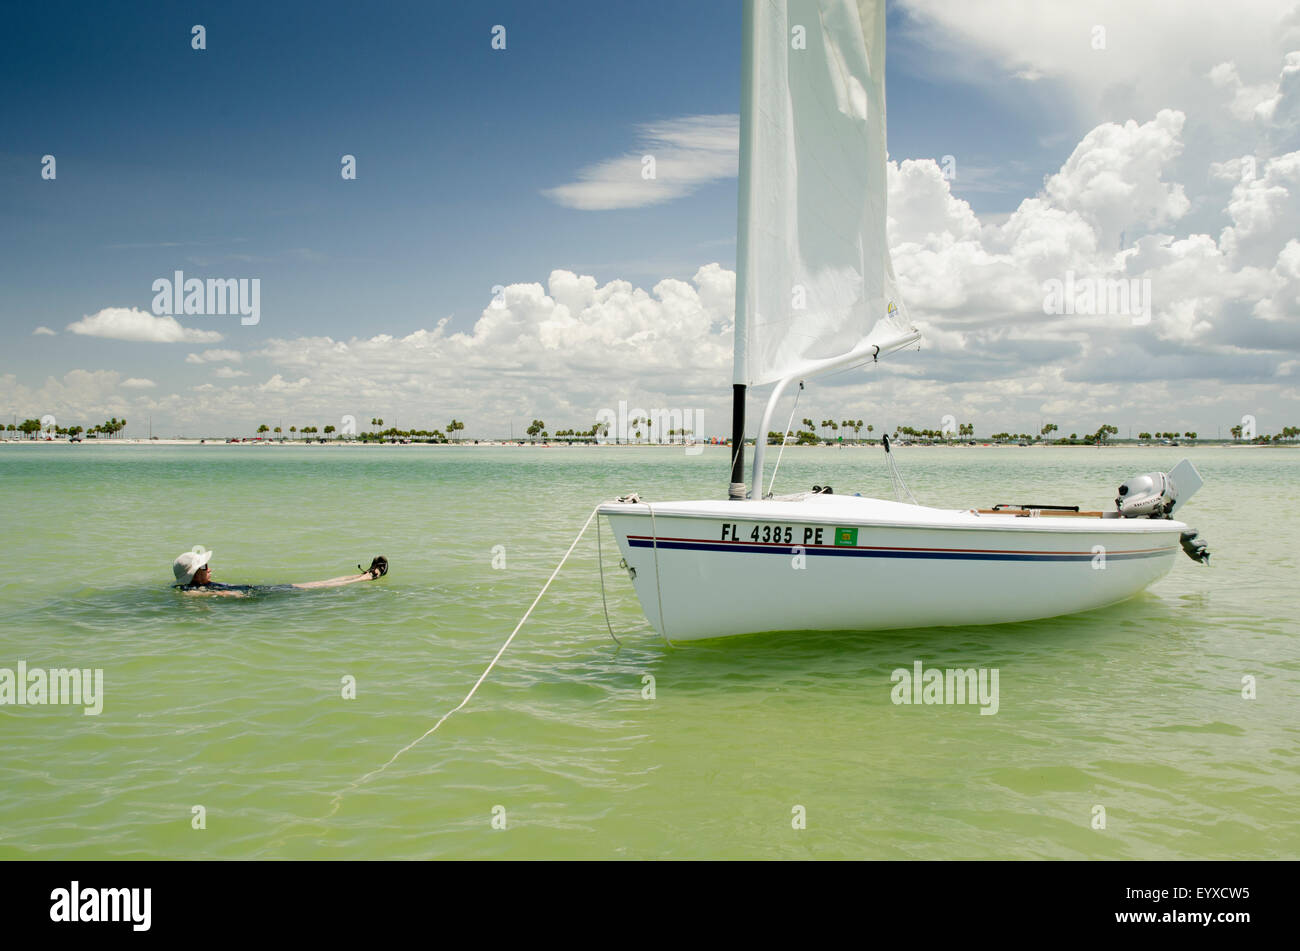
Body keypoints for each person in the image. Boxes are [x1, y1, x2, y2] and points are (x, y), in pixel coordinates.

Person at [172, 547, 387, 597]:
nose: (210, 569)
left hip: (257, 591)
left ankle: (364, 575)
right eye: (204, 567)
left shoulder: (197, 587)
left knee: (316, 584)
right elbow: (224, 595)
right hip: (259, 595)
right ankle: (368, 576)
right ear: (195, 574)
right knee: (316, 586)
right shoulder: (191, 591)